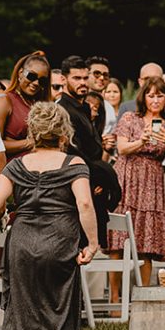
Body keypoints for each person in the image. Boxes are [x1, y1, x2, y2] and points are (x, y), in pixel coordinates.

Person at [0, 102, 94, 330]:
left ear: (33, 131)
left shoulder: (16, 165)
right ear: (63, 132)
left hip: (22, 246)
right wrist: (93, 244)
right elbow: (85, 205)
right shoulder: (74, 164)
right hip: (59, 246)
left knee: (23, 313)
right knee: (57, 313)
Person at [109, 74, 165, 283]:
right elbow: (121, 148)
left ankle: (143, 294)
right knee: (118, 242)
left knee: (146, 244)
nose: (155, 100)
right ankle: (115, 299)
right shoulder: (130, 118)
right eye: (151, 96)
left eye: (160, 96)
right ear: (144, 97)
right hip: (127, 177)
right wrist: (141, 141)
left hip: (152, 183)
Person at [56, 56, 119, 245]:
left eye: (85, 78)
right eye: (77, 78)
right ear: (64, 80)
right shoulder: (62, 110)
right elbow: (71, 152)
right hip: (77, 187)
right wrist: (97, 177)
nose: (82, 83)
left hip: (93, 185)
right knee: (76, 250)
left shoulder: (84, 107)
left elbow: (92, 147)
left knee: (90, 252)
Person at [0, 51, 51, 162]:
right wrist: (30, 143)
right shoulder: (4, 101)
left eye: (42, 81)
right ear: (20, 73)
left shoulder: (39, 104)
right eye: (32, 76)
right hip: (12, 172)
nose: (36, 83)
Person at [85, 58, 118, 135]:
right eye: (97, 74)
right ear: (86, 74)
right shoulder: (76, 102)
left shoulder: (109, 108)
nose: (102, 78)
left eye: (105, 75)